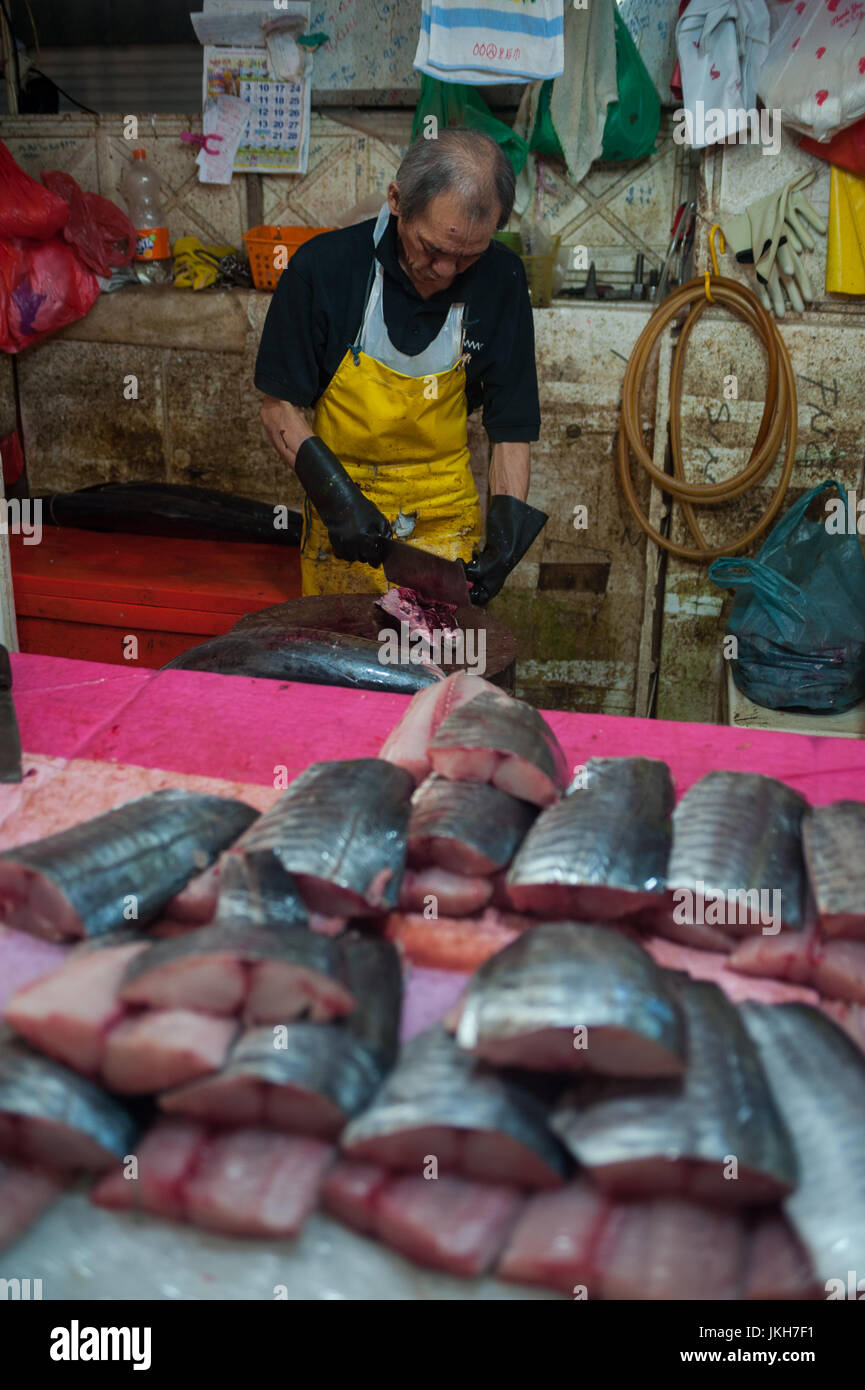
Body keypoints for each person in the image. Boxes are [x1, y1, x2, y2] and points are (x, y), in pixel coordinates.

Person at [255, 127, 547, 603]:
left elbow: (510, 427)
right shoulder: (323, 269)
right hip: (342, 513)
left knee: (437, 672)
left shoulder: (503, 278)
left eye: (468, 256)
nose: (446, 271)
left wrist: (508, 526)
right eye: (432, 248)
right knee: (339, 660)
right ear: (396, 200)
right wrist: (336, 499)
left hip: (446, 525)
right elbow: (277, 408)